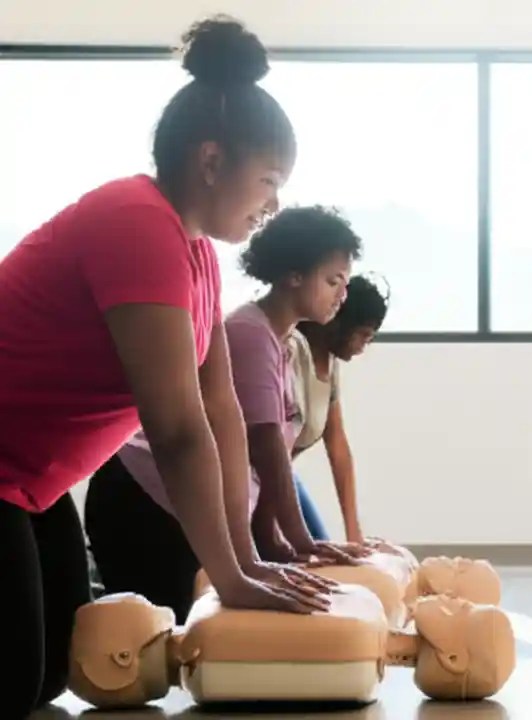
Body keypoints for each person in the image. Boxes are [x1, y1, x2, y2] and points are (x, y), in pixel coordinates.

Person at [0, 16, 326, 718]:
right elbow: (176, 427)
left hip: (32, 483)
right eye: (268, 180)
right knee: (8, 679)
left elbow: (222, 412)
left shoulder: (198, 255)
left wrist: (245, 561)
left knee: (47, 677)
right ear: (211, 162)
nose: (275, 203)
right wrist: (231, 581)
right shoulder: (135, 222)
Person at [84, 205, 369, 624]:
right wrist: (300, 540)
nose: (341, 295)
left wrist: (271, 541)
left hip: (181, 501)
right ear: (293, 275)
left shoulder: (286, 344)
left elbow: (268, 463)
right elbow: (266, 447)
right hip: (145, 497)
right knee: (152, 635)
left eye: (344, 284)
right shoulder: (251, 333)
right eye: (333, 281)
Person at [287, 274, 390, 544]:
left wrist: (353, 532)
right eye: (363, 336)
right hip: (249, 484)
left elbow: (337, 445)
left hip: (282, 478)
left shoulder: (330, 363)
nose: (362, 348)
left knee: (324, 551)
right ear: (340, 323)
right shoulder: (292, 351)